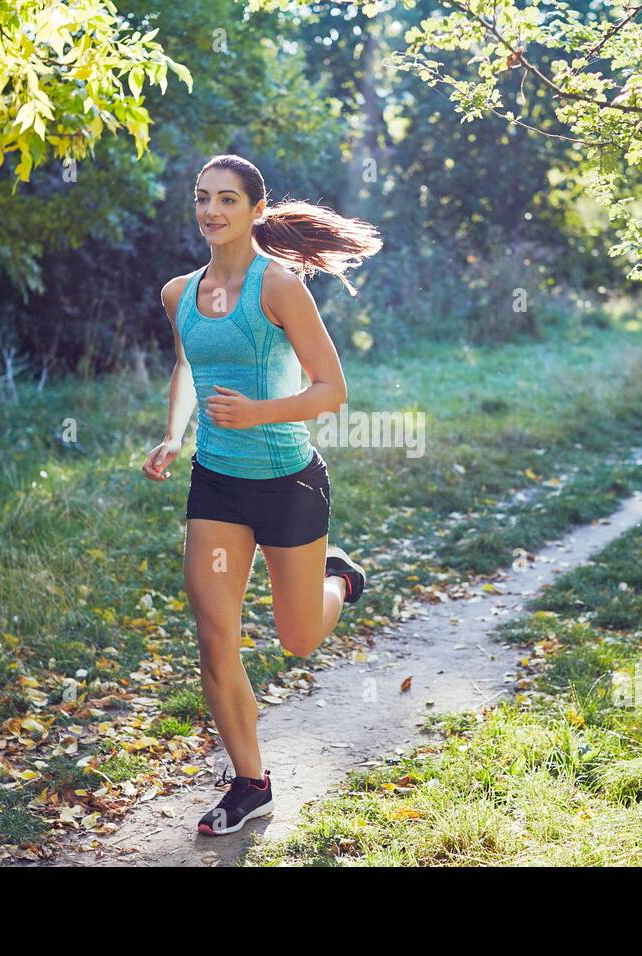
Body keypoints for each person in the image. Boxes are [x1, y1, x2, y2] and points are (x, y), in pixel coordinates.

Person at [141, 154, 382, 836]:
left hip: (287, 479)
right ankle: (251, 782)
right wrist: (172, 436)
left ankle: (338, 577)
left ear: (253, 210)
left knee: (299, 639)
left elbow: (331, 391)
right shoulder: (177, 293)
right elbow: (189, 364)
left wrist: (258, 413)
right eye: (202, 198)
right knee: (215, 635)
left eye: (226, 199)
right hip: (217, 484)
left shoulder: (277, 287)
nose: (211, 210)